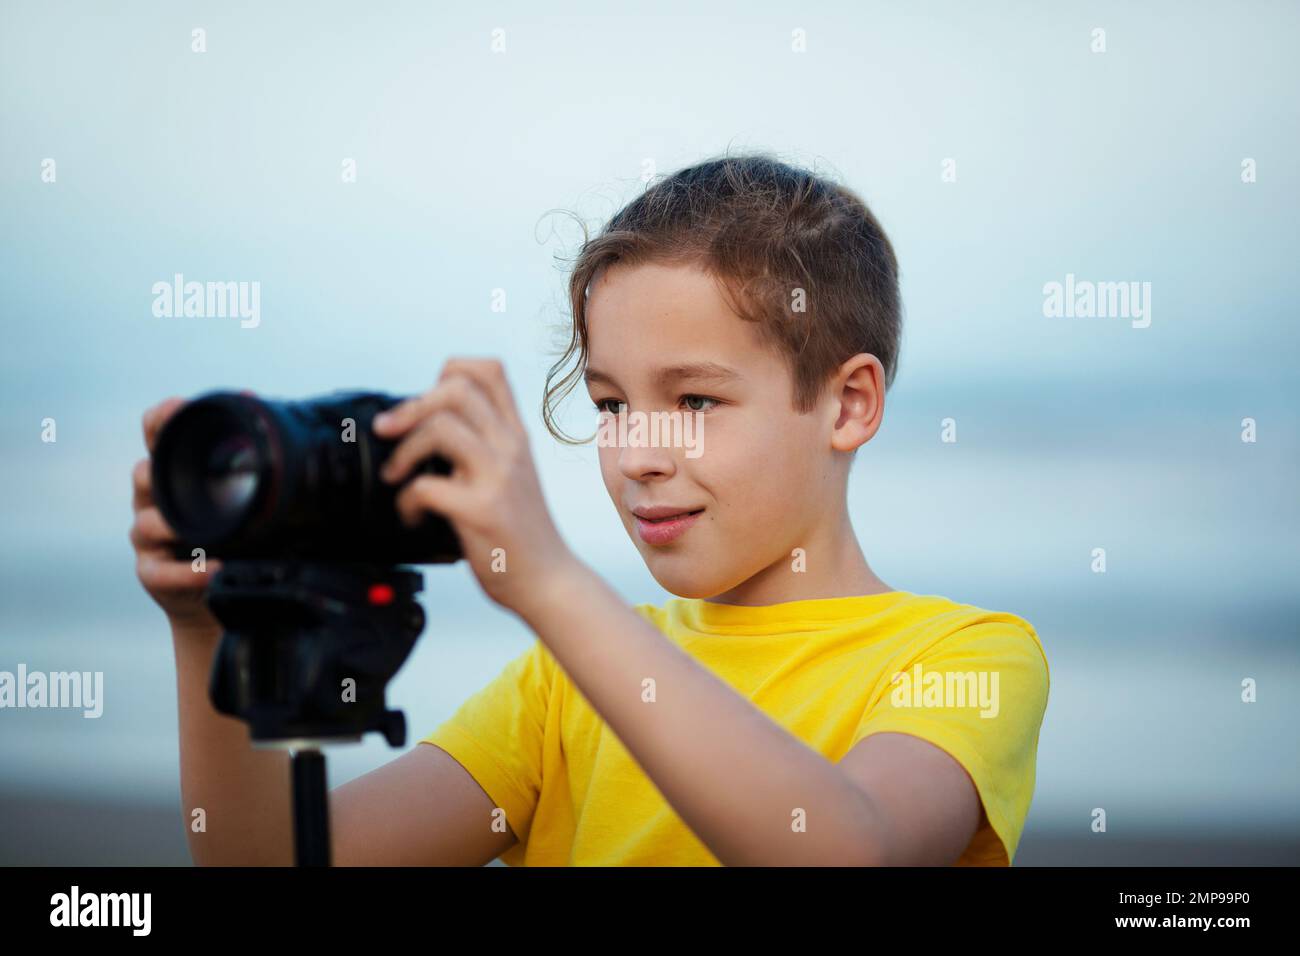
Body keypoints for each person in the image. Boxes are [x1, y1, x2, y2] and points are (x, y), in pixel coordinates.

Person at [130, 153, 1049, 866]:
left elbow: (849, 849)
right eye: (612, 406)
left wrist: (551, 581)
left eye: (696, 403)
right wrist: (205, 629)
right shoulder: (563, 687)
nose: (639, 455)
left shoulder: (961, 658)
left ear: (848, 404)